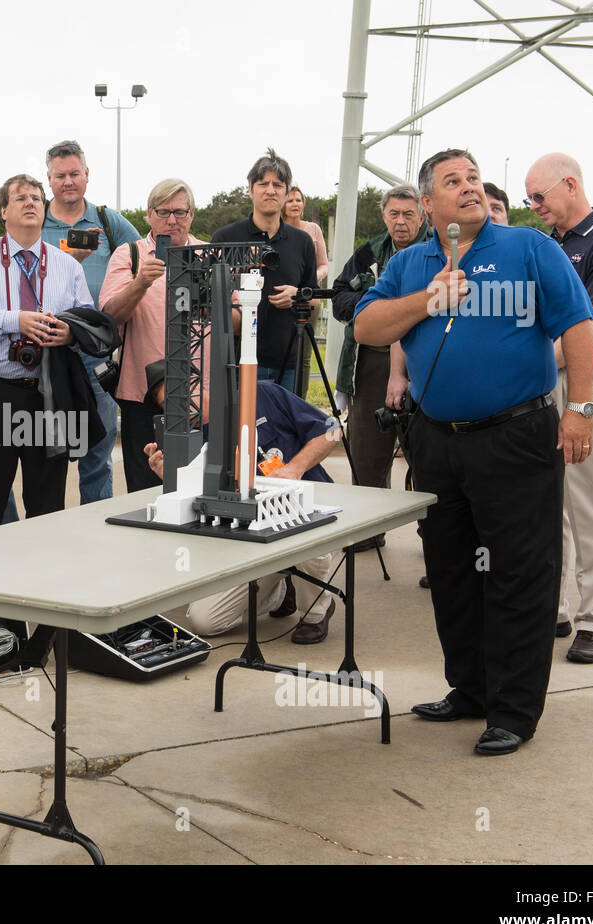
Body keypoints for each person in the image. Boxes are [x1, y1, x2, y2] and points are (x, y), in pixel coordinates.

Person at [355, 147, 593, 756]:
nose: (467, 187)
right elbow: (366, 328)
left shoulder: (529, 249)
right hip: (437, 442)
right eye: (451, 181)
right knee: (454, 573)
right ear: (428, 203)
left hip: (517, 437)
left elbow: (578, 325)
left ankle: (514, 710)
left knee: (519, 573)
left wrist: (580, 408)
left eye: (471, 177)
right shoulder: (409, 263)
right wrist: (428, 300)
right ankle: (470, 689)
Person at [524, 153, 593, 665]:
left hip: (588, 383)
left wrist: (517, 357)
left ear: (570, 184)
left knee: (591, 504)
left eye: (539, 197)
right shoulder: (552, 245)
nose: (534, 207)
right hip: (548, 384)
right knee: (549, 503)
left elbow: (588, 332)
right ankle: (557, 606)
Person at [0, 173, 96, 531]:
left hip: (49, 393)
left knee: (48, 505)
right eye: (20, 198)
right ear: (3, 211)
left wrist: (68, 333)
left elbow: (88, 320)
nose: (31, 203)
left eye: (36, 198)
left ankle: (41, 581)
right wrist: (15, 321)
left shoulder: (68, 266)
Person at [145, 379, 340, 644]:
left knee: (306, 542)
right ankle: (281, 592)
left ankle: (316, 611)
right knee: (204, 620)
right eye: (167, 405)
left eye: (179, 395)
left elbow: (332, 431)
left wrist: (296, 467)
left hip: (305, 512)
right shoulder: (190, 440)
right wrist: (170, 478)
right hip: (250, 536)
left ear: (198, 381)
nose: (178, 408)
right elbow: (195, 511)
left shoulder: (261, 392)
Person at [41, 140, 141, 504]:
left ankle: (96, 529)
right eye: (60, 175)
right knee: (46, 450)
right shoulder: (36, 221)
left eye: (74, 174)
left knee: (97, 450)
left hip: (96, 352)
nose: (68, 181)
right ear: (48, 179)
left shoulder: (107, 221)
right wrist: (72, 259)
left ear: (87, 175)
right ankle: (50, 531)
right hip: (48, 352)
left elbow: (142, 257)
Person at [99, 177, 209, 492]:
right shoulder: (129, 255)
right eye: (163, 212)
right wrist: (140, 282)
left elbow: (237, 318)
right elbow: (110, 314)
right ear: (149, 214)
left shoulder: (209, 256)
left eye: (179, 212)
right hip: (142, 395)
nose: (171, 220)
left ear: (191, 215)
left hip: (202, 394)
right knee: (146, 487)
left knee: (198, 483)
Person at [332, 184, 430, 512]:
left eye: (408, 214)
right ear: (383, 216)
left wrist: (395, 307)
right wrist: (379, 307)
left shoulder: (438, 249)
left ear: (422, 216)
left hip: (424, 360)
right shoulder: (369, 253)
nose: (400, 221)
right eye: (394, 214)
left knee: (427, 452)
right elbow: (339, 298)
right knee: (366, 451)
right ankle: (367, 530)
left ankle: (433, 531)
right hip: (371, 362)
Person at [212, 148, 317, 395]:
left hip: (288, 362)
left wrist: (298, 296)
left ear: (286, 191)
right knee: (239, 432)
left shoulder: (302, 242)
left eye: (278, 184)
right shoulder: (226, 238)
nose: (271, 190)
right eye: (263, 184)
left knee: (287, 431)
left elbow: (314, 300)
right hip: (235, 361)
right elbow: (211, 299)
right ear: (250, 190)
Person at [284, 185, 329, 285]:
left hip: (309, 292)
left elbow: (324, 265)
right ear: (282, 205)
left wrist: (312, 278)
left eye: (298, 200)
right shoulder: (274, 230)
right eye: (290, 201)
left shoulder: (314, 229)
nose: (295, 204)